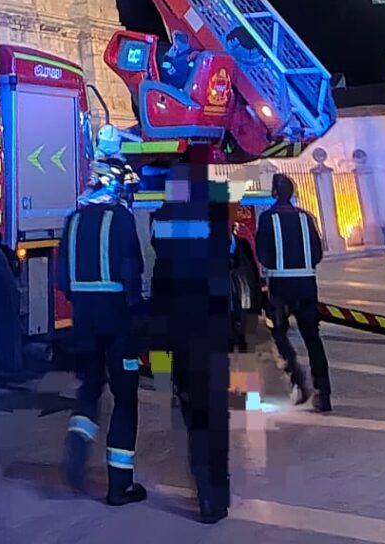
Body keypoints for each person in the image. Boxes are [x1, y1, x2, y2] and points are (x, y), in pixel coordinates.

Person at [56, 148, 148, 508]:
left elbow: (62, 278)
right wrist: (138, 317)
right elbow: (131, 273)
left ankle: (76, 458)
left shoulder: (72, 221)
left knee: (89, 389)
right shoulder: (121, 219)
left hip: (84, 324)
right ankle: (119, 485)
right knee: (125, 399)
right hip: (117, 322)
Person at [150, 154, 231, 525]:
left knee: (193, 416)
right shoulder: (212, 217)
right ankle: (220, 490)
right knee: (215, 413)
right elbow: (223, 260)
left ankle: (206, 495)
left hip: (180, 330)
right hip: (211, 327)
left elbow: (160, 272)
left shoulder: (163, 219)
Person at [256, 174, 331, 412]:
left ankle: (297, 378)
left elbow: (262, 253)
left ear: (274, 193)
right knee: (313, 338)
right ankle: (323, 391)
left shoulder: (268, 218)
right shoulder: (306, 218)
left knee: (278, 332)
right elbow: (318, 252)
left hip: (280, 286)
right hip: (308, 284)